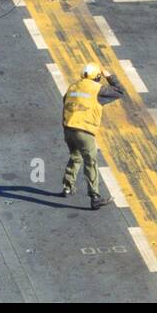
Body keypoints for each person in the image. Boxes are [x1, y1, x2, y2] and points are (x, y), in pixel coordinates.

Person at [60, 63, 124, 210]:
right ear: (97, 77)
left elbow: (65, 103)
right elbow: (120, 91)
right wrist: (109, 76)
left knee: (75, 157)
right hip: (85, 131)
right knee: (91, 162)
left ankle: (67, 187)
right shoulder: (97, 89)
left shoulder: (72, 87)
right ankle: (95, 197)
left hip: (68, 129)